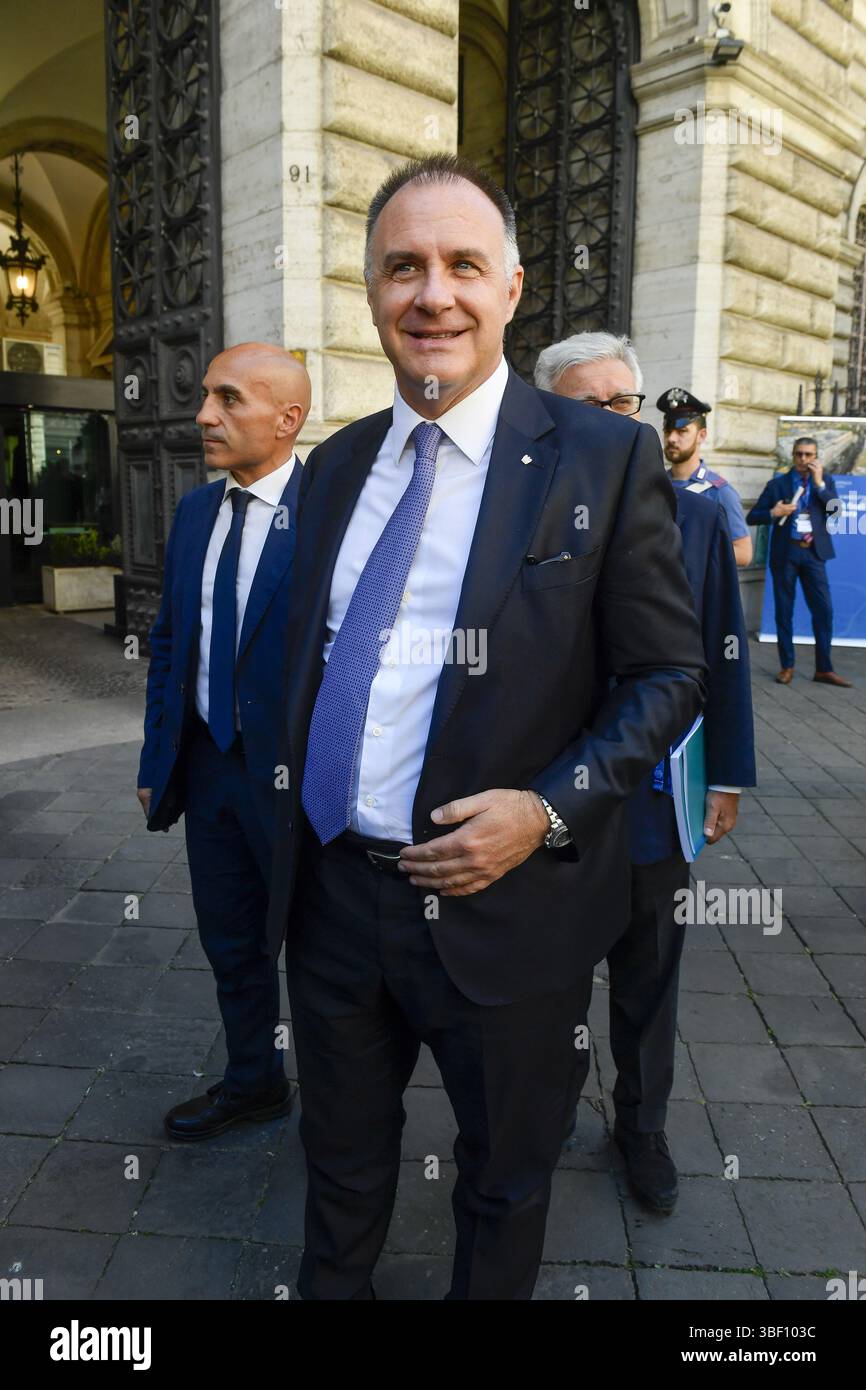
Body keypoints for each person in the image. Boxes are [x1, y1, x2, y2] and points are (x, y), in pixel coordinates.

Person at [266, 154, 707, 1301]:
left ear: (511, 288)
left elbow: (667, 671)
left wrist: (547, 808)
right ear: (369, 291)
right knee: (338, 1168)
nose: (433, 294)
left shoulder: (602, 457)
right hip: (329, 897)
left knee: (504, 1183)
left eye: (464, 265)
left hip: (508, 907)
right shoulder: (333, 468)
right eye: (402, 267)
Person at [538, 331, 756, 1211]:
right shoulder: (517, 509)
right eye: (595, 405)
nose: (621, 420)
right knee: (549, 980)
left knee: (648, 979)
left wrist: (728, 778)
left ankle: (641, 1127)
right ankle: (545, 1111)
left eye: (627, 403)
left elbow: (723, 657)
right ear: (550, 411)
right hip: (544, 806)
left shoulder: (697, 519)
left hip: (656, 802)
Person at [137, 342, 311, 1139]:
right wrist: (157, 761)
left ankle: (345, 1108)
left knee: (318, 951)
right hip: (210, 771)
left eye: (227, 399)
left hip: (303, 784)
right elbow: (170, 642)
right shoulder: (196, 512)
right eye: (207, 395)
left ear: (287, 418)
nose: (203, 415)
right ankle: (254, 1081)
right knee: (231, 941)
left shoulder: (332, 518)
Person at [747, 437, 851, 687]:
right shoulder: (778, 484)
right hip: (786, 553)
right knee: (784, 611)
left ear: (816, 457)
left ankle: (824, 668)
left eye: (809, 455)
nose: (803, 459)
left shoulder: (825, 482)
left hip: (814, 553)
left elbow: (836, 512)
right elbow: (753, 517)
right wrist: (774, 512)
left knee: (823, 610)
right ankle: (787, 666)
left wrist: (820, 485)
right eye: (799, 454)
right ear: (793, 456)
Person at [656, 387, 753, 568]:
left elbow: (744, 554)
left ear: (702, 435)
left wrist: (694, 547)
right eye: (668, 431)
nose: (672, 439)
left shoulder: (720, 492)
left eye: (682, 431)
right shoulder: (656, 485)